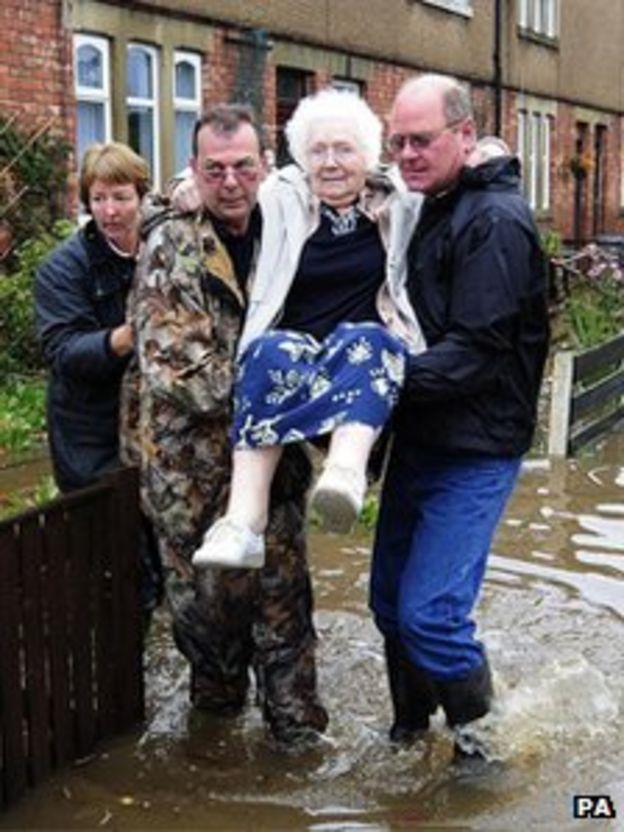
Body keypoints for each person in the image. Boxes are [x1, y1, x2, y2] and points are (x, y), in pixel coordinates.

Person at [120, 104, 329, 748]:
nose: (230, 182)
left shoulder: (290, 226)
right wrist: (286, 389)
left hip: (275, 473)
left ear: (266, 165)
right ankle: (210, 765)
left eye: (243, 166)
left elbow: (366, 180)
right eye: (214, 170)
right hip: (190, 479)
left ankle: (298, 752)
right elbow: (178, 371)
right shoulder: (170, 244)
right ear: (193, 169)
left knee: (286, 623)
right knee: (208, 636)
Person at [369, 74, 549, 756]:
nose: (407, 155)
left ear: (465, 136)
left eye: (422, 140)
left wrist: (376, 383)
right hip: (422, 437)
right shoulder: (432, 203)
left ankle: (483, 755)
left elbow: (475, 352)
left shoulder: (495, 222)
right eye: (398, 143)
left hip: (476, 447)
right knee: (390, 604)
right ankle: (409, 736)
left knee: (432, 616)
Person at [192, 89, 426, 572]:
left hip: (364, 357)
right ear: (302, 157)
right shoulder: (282, 195)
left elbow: (452, 175)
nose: (331, 162)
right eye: (318, 150)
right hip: (298, 358)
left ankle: (344, 476)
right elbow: (227, 176)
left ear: (368, 155)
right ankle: (243, 523)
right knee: (264, 350)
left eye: (344, 149)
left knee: (369, 339)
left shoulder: (401, 200)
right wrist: (180, 187)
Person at [35, 142, 163, 619]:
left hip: (155, 420)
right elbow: (63, 351)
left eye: (121, 197)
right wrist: (127, 336)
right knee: (113, 554)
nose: (110, 211)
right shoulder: (63, 269)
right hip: (90, 429)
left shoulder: (163, 247)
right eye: (99, 198)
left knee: (165, 543)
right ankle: (117, 639)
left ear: (141, 196)